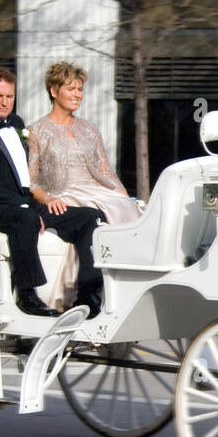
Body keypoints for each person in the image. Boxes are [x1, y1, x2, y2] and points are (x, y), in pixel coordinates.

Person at [0, 65, 104, 319]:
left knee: (89, 216)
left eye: (9, 96)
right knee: (26, 219)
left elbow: (27, 173)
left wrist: (39, 200)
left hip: (25, 201)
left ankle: (87, 292)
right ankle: (27, 295)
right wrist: (24, 206)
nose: (5, 102)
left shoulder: (16, 123)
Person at [26, 61, 141, 311]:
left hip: (94, 190)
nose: (77, 94)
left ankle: (129, 285)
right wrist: (46, 199)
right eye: (71, 89)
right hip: (61, 195)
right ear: (53, 91)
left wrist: (122, 193)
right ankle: (89, 290)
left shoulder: (90, 129)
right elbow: (31, 180)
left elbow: (104, 170)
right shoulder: (36, 131)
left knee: (128, 208)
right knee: (97, 216)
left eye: (80, 89)